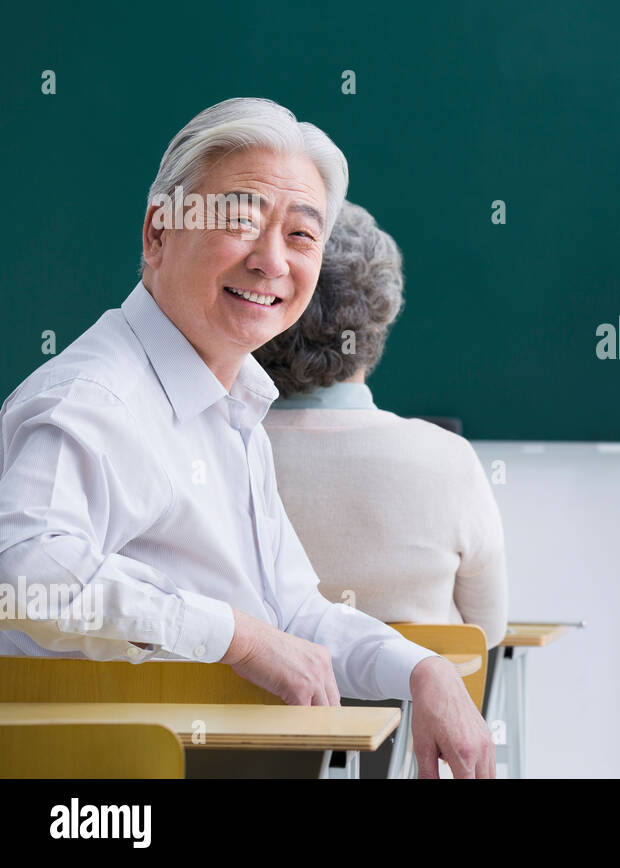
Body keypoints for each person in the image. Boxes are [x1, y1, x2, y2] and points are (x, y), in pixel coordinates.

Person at [0, 97, 495, 778]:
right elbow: (24, 577)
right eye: (238, 220)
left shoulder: (230, 405)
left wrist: (422, 670)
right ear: (157, 234)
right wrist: (232, 636)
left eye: (300, 236)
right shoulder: (93, 401)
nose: (270, 260)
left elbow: (289, 612)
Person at [254, 200, 507, 644]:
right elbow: (485, 635)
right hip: (406, 712)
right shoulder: (448, 462)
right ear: (379, 319)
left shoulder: (209, 452)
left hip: (238, 714)